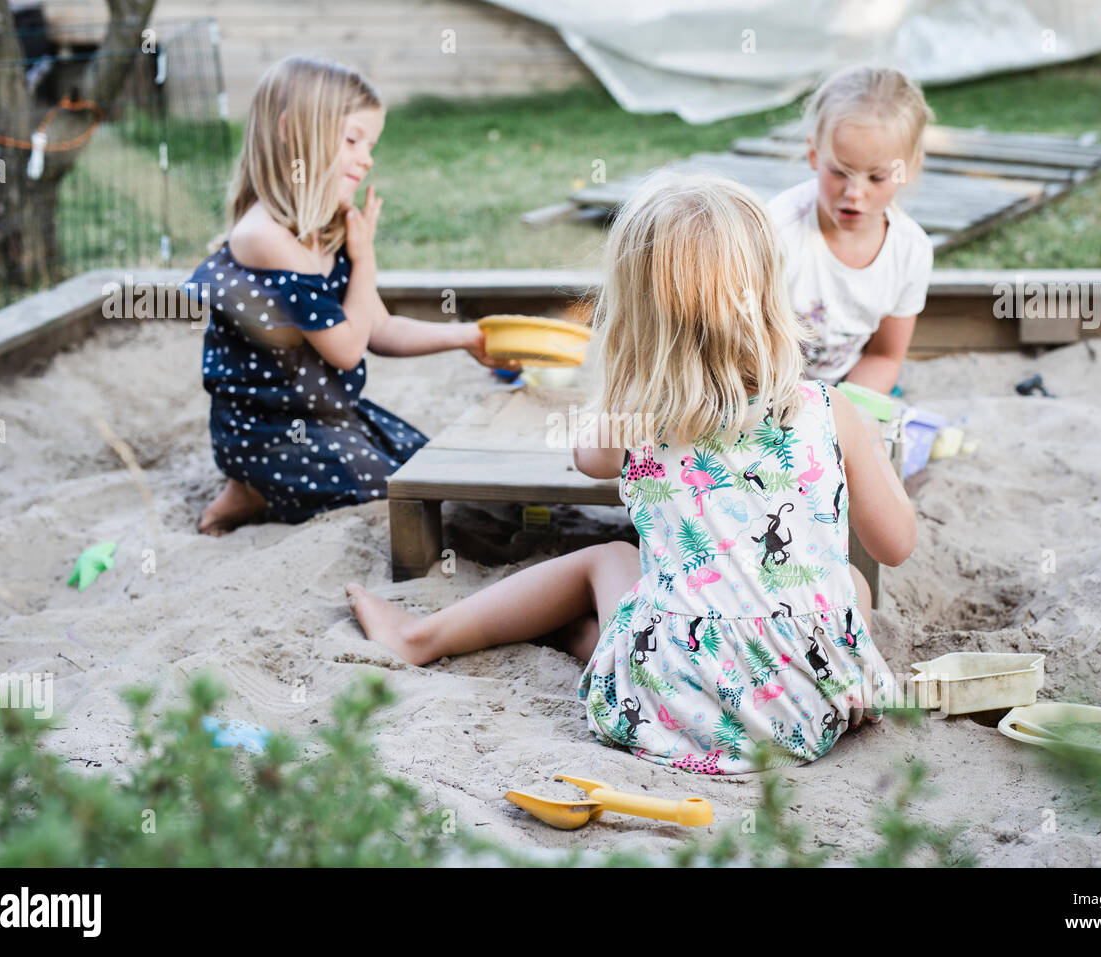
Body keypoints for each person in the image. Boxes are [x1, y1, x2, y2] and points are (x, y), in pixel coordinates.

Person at [346, 172, 916, 774]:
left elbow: (588, 459)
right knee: (850, 579)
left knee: (610, 559)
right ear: (773, 292)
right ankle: (608, 646)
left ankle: (423, 638)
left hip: (667, 704)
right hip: (810, 712)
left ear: (634, 318)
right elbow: (896, 546)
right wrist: (868, 450)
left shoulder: (637, 420)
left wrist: (625, 384)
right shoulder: (831, 409)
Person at [184, 55, 514, 534]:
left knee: (426, 469)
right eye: (352, 139)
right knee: (401, 498)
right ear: (291, 133)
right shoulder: (265, 238)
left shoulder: (322, 227)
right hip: (269, 432)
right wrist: (366, 261)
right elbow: (345, 349)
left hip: (330, 415)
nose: (367, 157)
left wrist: (468, 336)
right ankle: (250, 486)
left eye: (371, 143)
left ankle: (259, 490)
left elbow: (377, 328)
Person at [768, 65, 935, 393]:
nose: (854, 192)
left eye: (877, 177)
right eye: (840, 171)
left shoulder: (910, 250)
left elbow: (885, 357)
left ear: (910, 168)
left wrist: (846, 412)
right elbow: (739, 350)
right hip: (774, 388)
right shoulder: (776, 233)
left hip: (849, 387)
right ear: (814, 154)